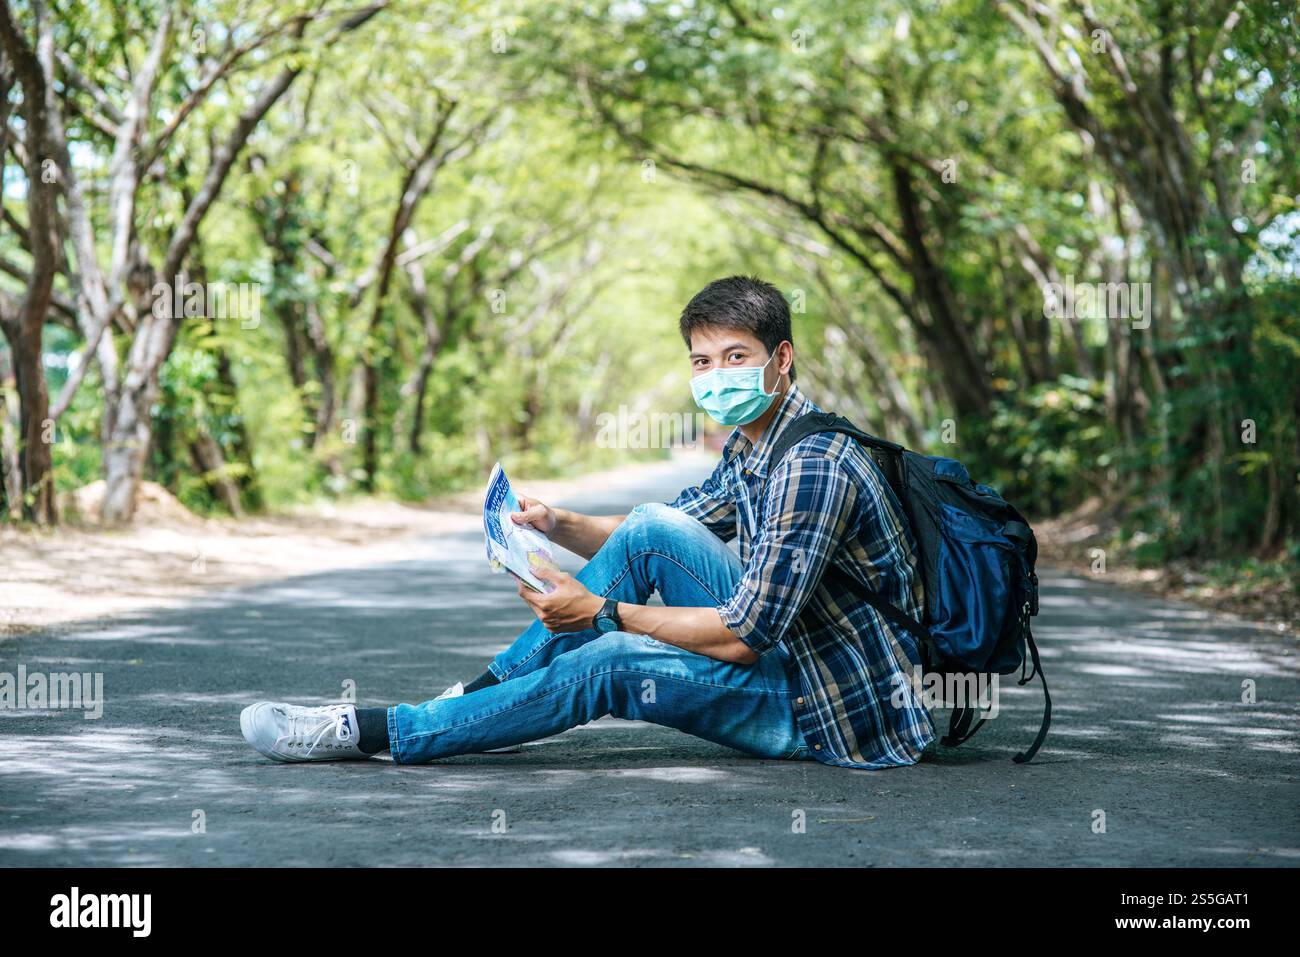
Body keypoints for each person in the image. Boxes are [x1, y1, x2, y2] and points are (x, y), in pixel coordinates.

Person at [239, 275, 935, 769]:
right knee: (650, 526)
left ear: (781, 359)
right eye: (702, 361)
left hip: (836, 708)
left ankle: (381, 730)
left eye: (736, 357)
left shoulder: (812, 464)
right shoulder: (760, 439)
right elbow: (672, 524)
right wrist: (555, 522)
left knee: (612, 659)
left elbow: (745, 637)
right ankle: (487, 698)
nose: (716, 374)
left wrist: (602, 612)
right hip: (801, 652)